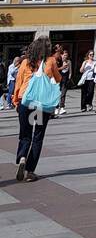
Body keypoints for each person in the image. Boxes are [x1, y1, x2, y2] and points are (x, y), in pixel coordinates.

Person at [12, 38, 61, 181]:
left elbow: (18, 82)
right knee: (37, 137)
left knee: (25, 134)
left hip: (25, 103)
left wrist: (16, 101)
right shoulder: (50, 61)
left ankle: (22, 157)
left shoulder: (26, 62)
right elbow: (58, 79)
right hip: (39, 105)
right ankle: (30, 171)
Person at [55, 47, 72, 116]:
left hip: (65, 79)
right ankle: (56, 108)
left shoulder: (69, 62)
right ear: (61, 55)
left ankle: (62, 107)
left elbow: (70, 71)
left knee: (63, 93)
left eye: (66, 55)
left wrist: (69, 78)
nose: (65, 56)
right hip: (58, 79)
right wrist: (62, 67)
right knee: (57, 94)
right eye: (64, 55)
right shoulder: (58, 61)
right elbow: (55, 70)